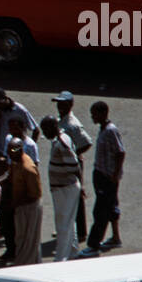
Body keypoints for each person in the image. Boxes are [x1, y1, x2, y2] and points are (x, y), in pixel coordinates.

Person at [80, 100, 125, 256]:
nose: (92, 117)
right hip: (102, 174)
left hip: (107, 177)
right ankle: (115, 238)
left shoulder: (110, 131)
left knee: (100, 211)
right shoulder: (103, 129)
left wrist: (114, 174)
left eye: (94, 114)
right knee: (111, 207)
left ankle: (93, 245)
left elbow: (120, 152)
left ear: (103, 113)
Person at [49, 91, 93, 246]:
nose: (60, 106)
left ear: (70, 104)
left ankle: (80, 232)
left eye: (63, 103)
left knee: (75, 196)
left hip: (71, 164)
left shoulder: (72, 124)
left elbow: (87, 142)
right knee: (66, 197)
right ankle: (67, 227)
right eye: (58, 103)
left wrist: (74, 153)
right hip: (63, 163)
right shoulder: (61, 120)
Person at [41, 115, 82, 262]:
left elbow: (74, 165)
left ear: (53, 127)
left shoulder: (62, 143)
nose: (44, 134)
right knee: (69, 222)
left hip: (65, 188)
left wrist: (79, 185)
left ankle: (60, 258)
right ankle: (72, 252)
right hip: (65, 188)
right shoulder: (60, 139)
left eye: (45, 130)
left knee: (63, 225)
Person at [6, 137, 43, 266]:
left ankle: (24, 266)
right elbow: (8, 176)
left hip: (29, 207)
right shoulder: (15, 161)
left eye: (11, 152)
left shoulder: (28, 168)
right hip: (21, 207)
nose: (9, 155)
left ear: (19, 150)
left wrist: (15, 203)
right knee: (23, 239)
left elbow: (35, 194)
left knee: (28, 240)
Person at [0, 88, 39, 156]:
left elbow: (36, 130)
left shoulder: (20, 110)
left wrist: (28, 147)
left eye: (0, 104)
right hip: (2, 150)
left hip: (17, 151)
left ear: (6, 98)